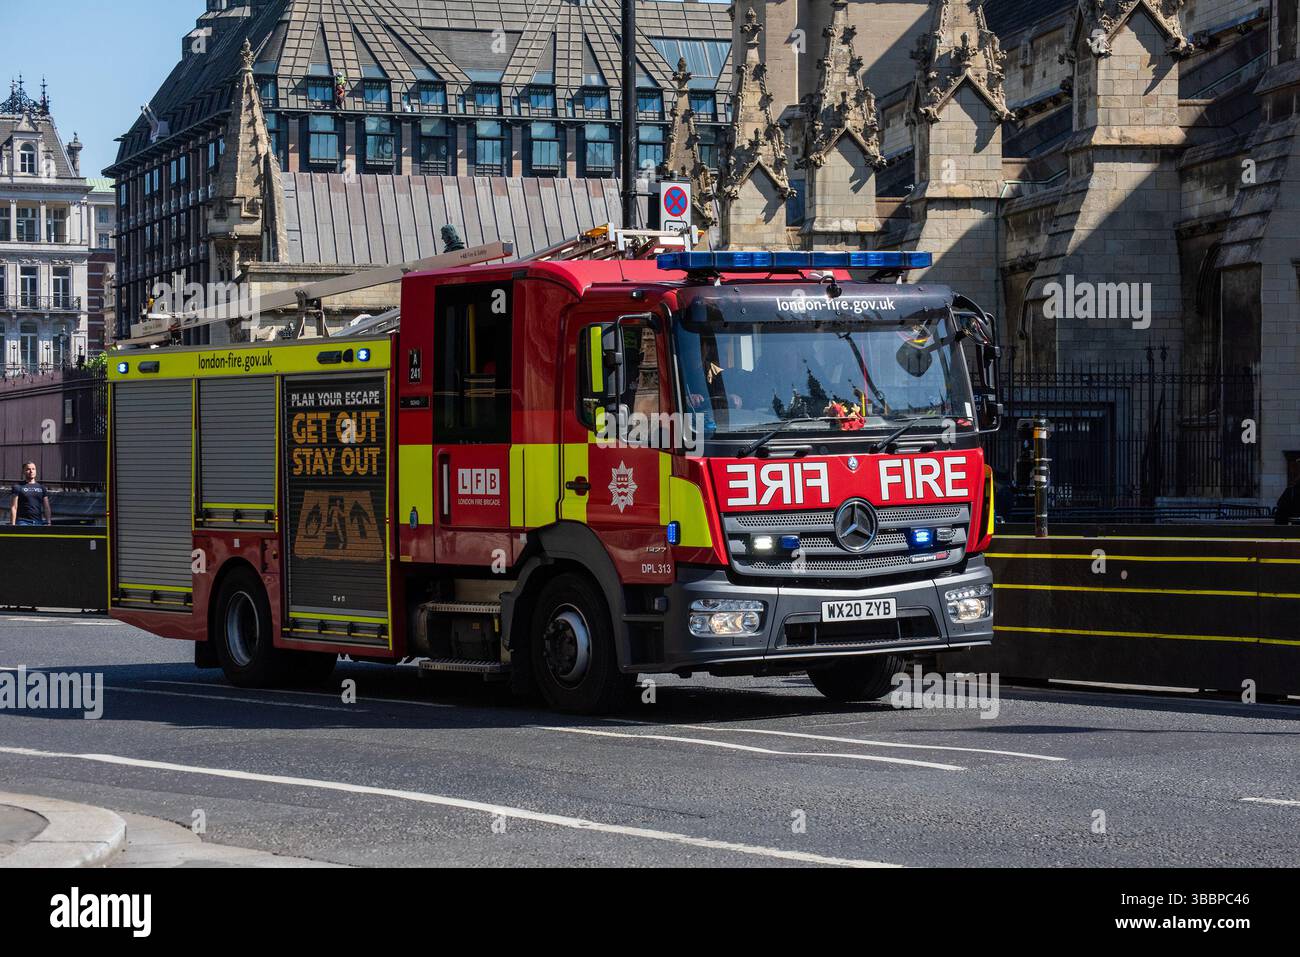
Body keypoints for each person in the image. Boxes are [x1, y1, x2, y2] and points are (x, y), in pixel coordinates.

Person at [10, 462, 52, 527]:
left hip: (38, 522)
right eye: (28, 469)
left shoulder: (41, 487)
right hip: (22, 522)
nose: (31, 471)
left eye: (33, 469)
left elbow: (46, 507)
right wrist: (12, 525)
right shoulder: (18, 487)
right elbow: (14, 507)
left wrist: (49, 522)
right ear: (23, 472)